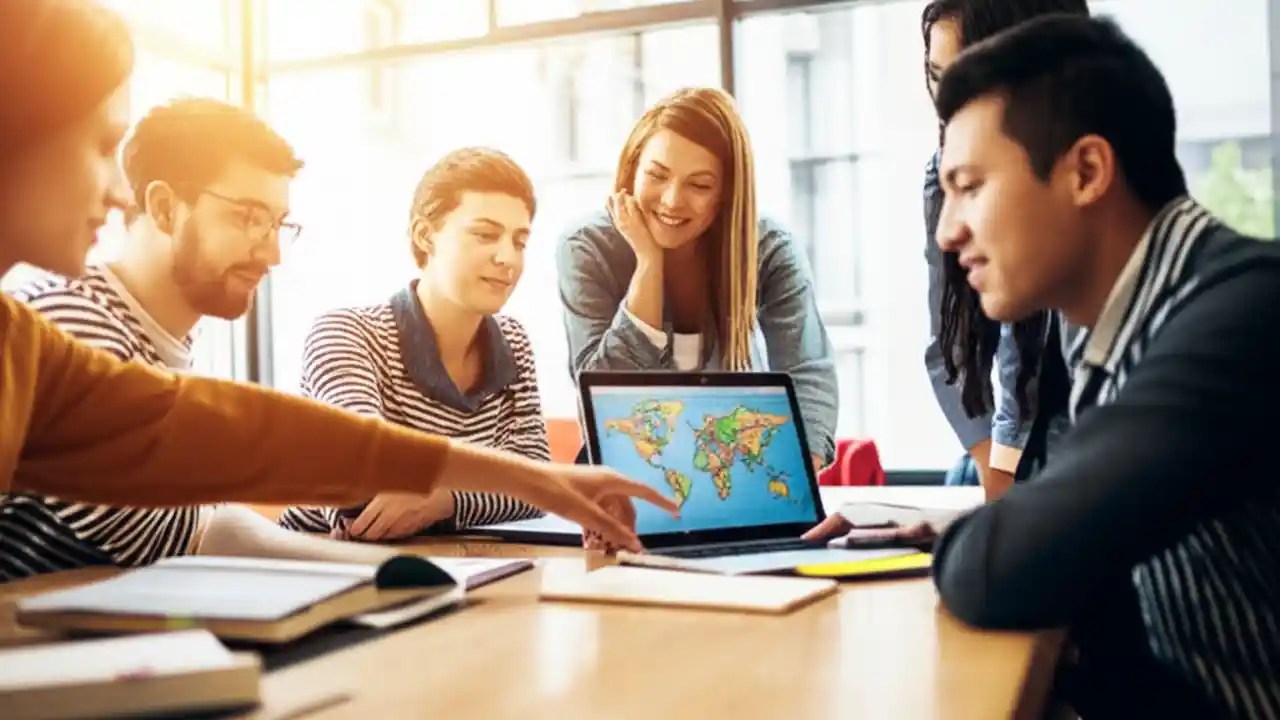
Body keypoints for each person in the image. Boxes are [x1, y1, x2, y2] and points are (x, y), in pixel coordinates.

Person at [0, 0, 674, 560]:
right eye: (96, 147)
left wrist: (538, 480)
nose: (117, 192)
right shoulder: (69, 317)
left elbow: (244, 435)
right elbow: (190, 526)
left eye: (277, 224)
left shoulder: (28, 344)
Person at [928, 15, 1279, 718]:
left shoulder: (1242, 315)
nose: (946, 231)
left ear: (1087, 171)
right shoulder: (1104, 331)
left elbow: (998, 569)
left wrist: (994, 533)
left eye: (970, 187)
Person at [557, 87, 837, 473]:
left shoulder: (768, 247)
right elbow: (602, 396)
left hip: (735, 466)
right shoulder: (588, 247)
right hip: (627, 471)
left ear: (726, 194)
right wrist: (648, 265)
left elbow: (807, 370)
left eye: (700, 185)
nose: (672, 200)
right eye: (657, 175)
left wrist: (796, 478)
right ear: (632, 169)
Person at [280, 148, 552, 541]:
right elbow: (360, 482)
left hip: (456, 570)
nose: (507, 257)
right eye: (485, 235)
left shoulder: (513, 341)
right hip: (317, 569)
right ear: (425, 236)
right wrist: (494, 486)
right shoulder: (344, 333)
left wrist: (444, 500)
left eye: (520, 241)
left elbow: (538, 485)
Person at [920, 0, 1087, 498]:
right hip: (1026, 450)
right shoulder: (948, 166)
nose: (950, 233)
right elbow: (950, 349)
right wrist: (997, 476)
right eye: (935, 77)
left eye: (966, 83)